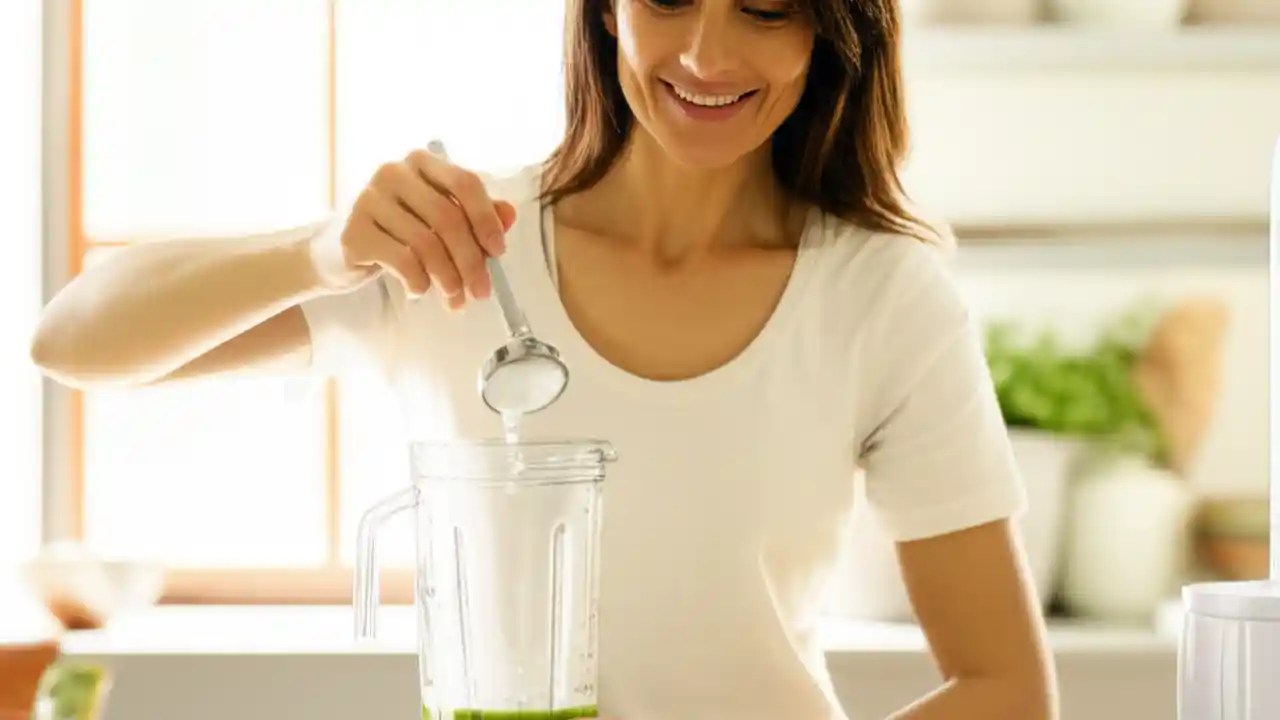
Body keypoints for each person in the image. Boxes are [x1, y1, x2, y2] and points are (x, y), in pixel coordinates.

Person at [31, 0, 1058, 718]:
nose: (704, 53)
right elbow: (71, 340)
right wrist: (323, 248)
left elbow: (1004, 687)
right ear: (604, 8)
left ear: (831, 31)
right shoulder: (462, 244)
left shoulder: (879, 294)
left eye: (764, 6)